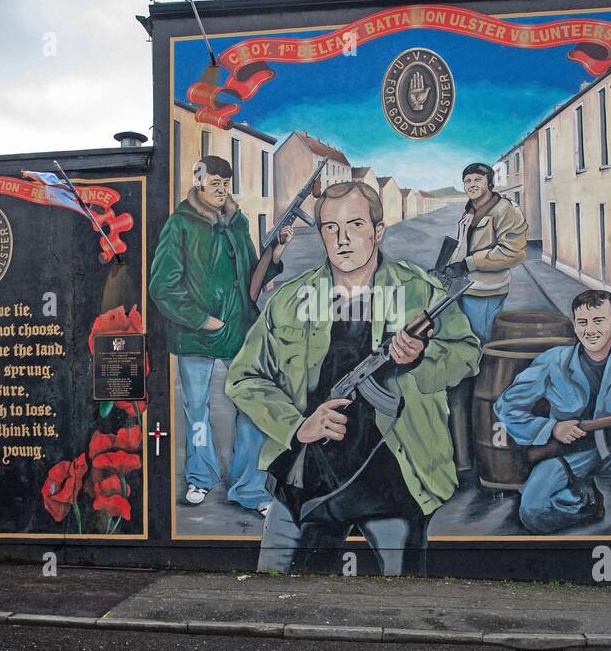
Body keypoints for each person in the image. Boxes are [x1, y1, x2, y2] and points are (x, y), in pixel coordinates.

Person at [226, 180, 480, 575]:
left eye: (356, 225)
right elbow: (243, 377)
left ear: (378, 232)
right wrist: (297, 426)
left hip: (396, 473)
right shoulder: (291, 299)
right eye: (330, 227)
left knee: (405, 598)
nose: (343, 239)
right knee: (273, 589)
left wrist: (422, 357)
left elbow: (467, 355)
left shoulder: (419, 291)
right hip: (307, 475)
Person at [149, 155, 290, 515]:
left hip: (239, 329)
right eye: (214, 183)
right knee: (197, 410)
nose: (220, 189)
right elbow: (162, 285)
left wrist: (275, 255)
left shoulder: (237, 222)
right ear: (198, 183)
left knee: (252, 404)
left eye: (225, 183)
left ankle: (249, 488)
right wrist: (200, 319)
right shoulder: (180, 225)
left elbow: (252, 276)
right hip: (196, 334)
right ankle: (200, 476)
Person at [493, 289, 611, 545]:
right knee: (533, 512)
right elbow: (506, 406)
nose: (590, 330)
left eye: (598, 320)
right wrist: (552, 428)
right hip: (573, 453)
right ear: (574, 325)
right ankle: (589, 502)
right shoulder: (554, 361)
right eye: (582, 322)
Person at [441, 162, 528, 344]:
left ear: (489, 183)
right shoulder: (469, 212)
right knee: (465, 341)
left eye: (477, 180)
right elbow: (463, 248)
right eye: (467, 181)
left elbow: (513, 252)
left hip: (487, 291)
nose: (472, 184)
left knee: (481, 343)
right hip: (463, 289)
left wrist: (469, 263)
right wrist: (448, 268)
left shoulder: (506, 209)